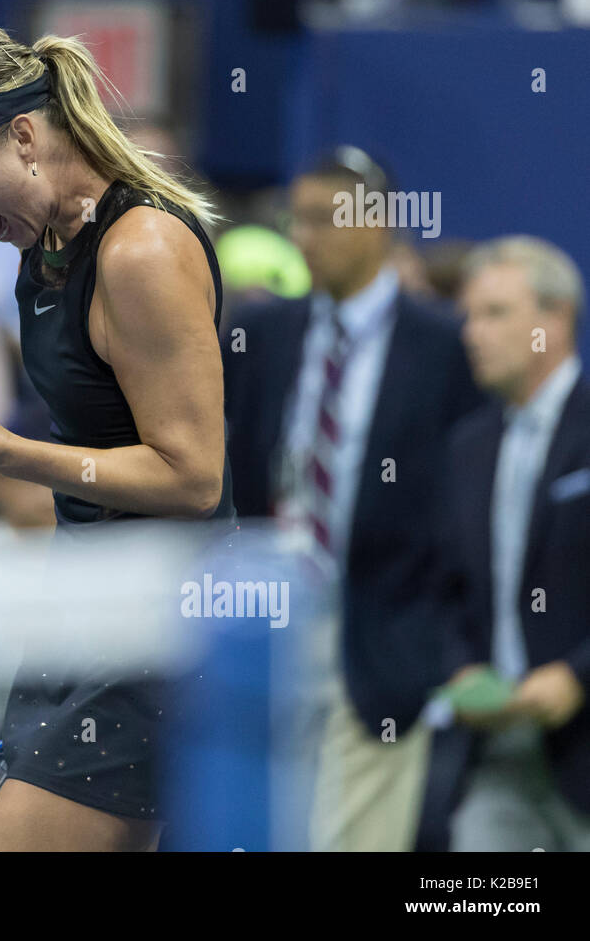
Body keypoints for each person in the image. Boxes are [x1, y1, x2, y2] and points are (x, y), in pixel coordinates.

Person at [0, 24, 234, 851]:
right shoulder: (46, 245)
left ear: (25, 137)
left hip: (159, 616)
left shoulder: (141, 248)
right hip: (88, 599)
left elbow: (194, 478)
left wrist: (3, 453)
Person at [221, 147, 484, 851]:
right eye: (295, 218)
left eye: (322, 219)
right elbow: (239, 474)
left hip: (384, 638)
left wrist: (440, 635)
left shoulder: (447, 347)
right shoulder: (263, 334)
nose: (303, 236)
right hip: (270, 630)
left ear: (378, 224)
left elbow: (466, 509)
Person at [437, 237, 590, 851]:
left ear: (554, 320)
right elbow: (445, 589)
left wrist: (578, 677)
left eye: (495, 313)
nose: (472, 333)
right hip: (495, 751)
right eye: (468, 315)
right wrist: (462, 669)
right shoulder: (468, 446)